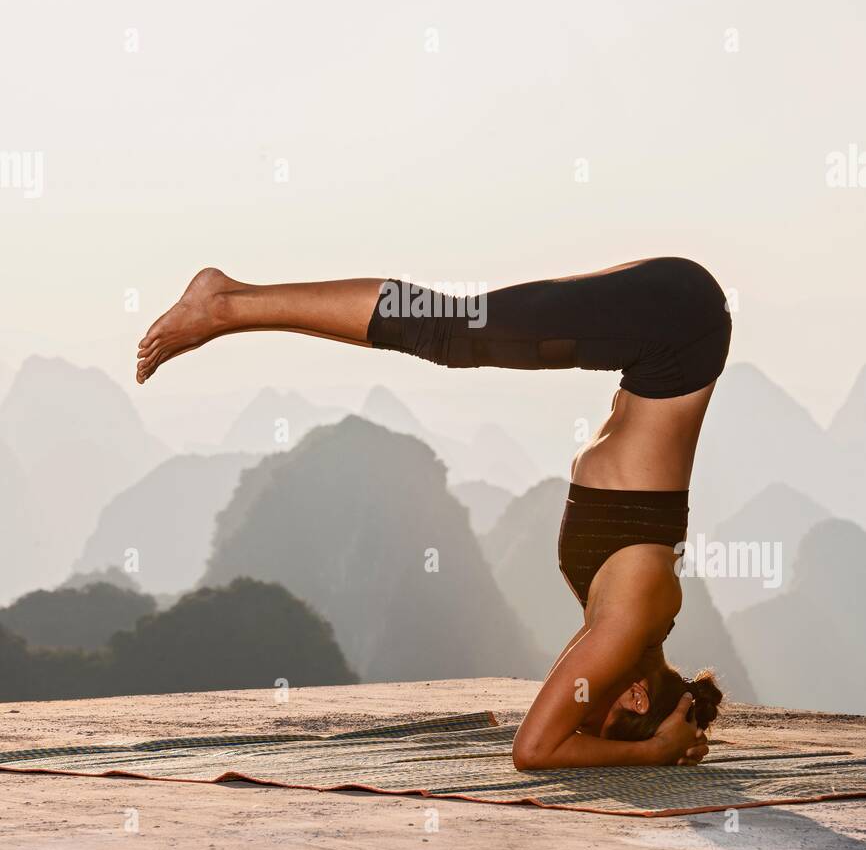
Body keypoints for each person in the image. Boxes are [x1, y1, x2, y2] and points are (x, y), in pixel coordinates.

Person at [136, 256, 731, 769]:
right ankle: (224, 305)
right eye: (597, 719)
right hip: (676, 326)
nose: (583, 713)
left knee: (446, 331)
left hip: (671, 333)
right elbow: (537, 750)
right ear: (633, 697)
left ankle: (234, 307)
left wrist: (655, 743)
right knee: (449, 330)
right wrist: (649, 754)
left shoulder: (632, 627)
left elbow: (552, 733)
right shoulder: (629, 626)